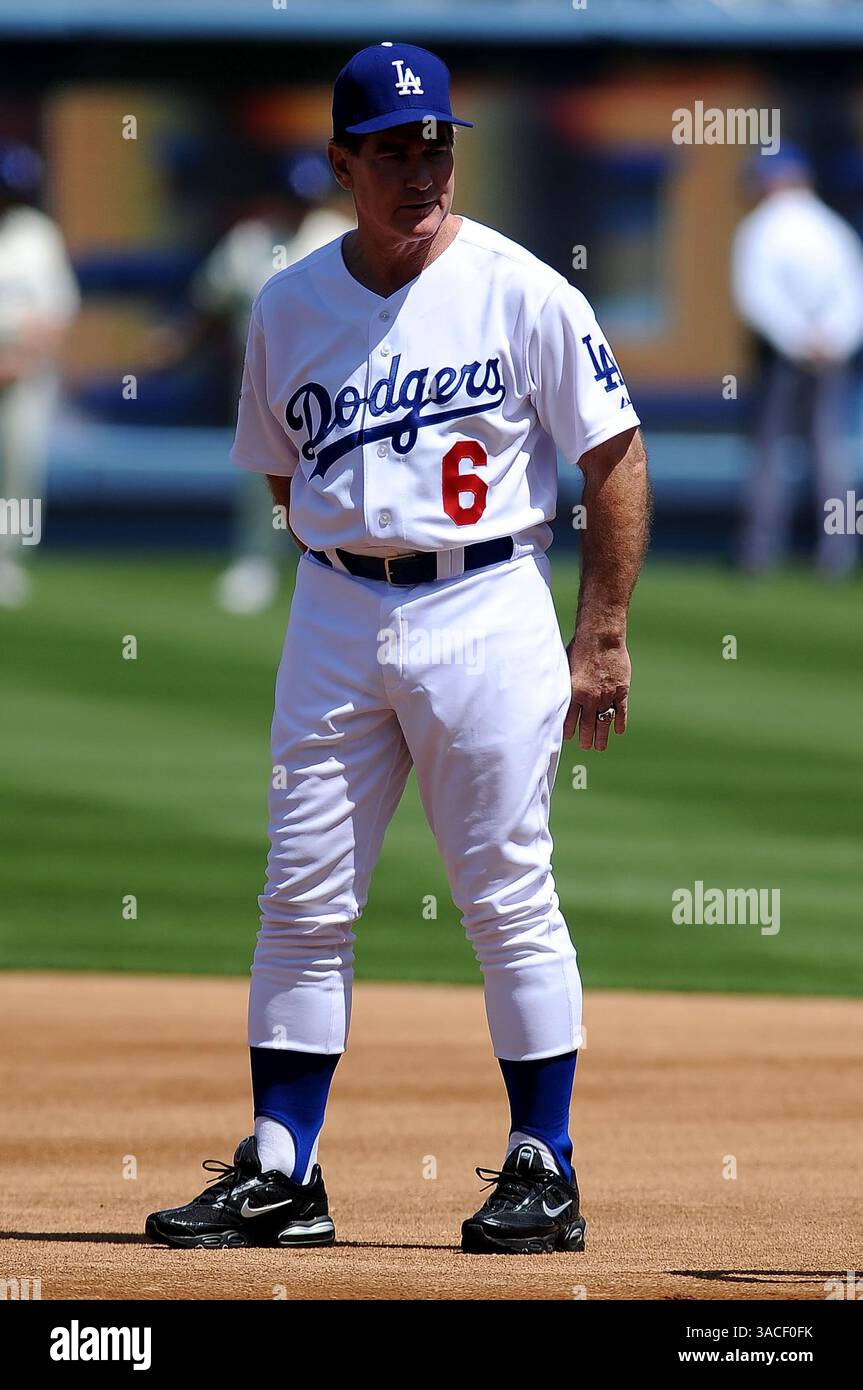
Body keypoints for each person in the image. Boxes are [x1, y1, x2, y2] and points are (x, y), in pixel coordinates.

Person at [146, 41, 649, 1256]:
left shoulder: (523, 288)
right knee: (300, 896)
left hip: (482, 602)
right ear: (341, 161)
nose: (422, 169)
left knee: (503, 888)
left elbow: (613, 454)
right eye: (393, 151)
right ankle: (282, 1168)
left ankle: (546, 1165)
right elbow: (280, 473)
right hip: (333, 608)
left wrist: (603, 631)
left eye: (437, 146)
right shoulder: (288, 302)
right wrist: (353, 560)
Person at [146, 152, 354, 614]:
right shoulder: (249, 242)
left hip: (332, 383)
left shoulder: (338, 238)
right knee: (263, 475)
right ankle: (256, 562)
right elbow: (210, 302)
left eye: (308, 198)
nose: (299, 207)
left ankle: (338, 566)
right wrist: (176, 345)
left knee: (335, 474)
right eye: (292, 198)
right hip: (262, 381)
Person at [732, 146, 863, 577]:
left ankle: (758, 553)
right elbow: (853, 298)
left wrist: (797, 340)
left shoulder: (761, 227)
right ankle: (837, 555)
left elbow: (756, 297)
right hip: (831, 354)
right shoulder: (833, 229)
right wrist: (831, 340)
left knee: (769, 449)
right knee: (827, 448)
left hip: (782, 357)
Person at [0, 142, 79, 606]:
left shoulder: (38, 236)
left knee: (19, 468)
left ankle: (8, 560)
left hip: (24, 372)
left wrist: (16, 362)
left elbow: (54, 313)